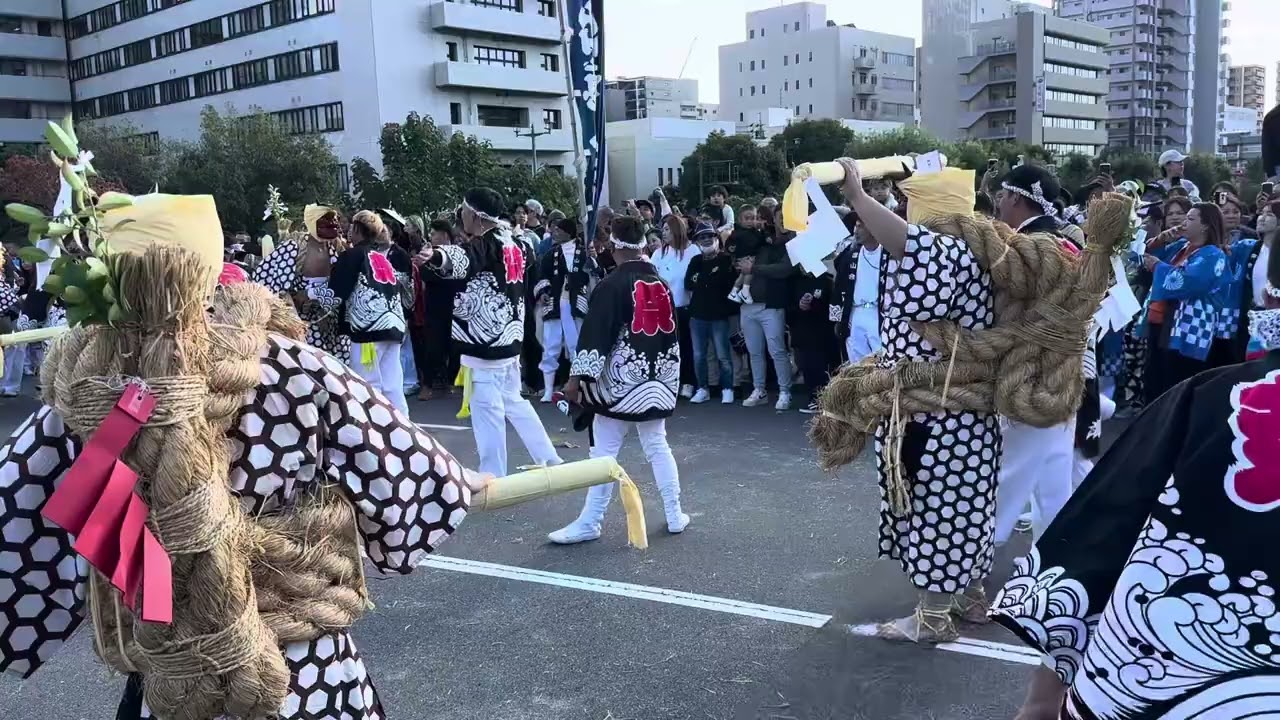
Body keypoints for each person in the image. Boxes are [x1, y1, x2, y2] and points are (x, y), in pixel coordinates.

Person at [0, 193, 486, 720]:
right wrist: (459, 480)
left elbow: (16, 525)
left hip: (171, 683)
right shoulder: (292, 367)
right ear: (209, 268)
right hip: (303, 676)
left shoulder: (85, 393)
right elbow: (403, 473)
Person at [990, 238, 1280, 720]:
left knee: (1051, 474)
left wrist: (1043, 698)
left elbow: (1103, 537)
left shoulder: (1211, 401)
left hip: (1173, 684)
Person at [835, 157, 1001, 644]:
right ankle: (970, 597)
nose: (903, 211)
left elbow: (911, 240)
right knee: (967, 504)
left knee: (939, 506)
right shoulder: (976, 250)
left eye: (909, 202)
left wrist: (859, 195)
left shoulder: (946, 249)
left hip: (941, 413)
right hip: (956, 408)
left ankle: (931, 619)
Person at [547, 216, 689, 544]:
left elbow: (596, 337)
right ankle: (673, 513)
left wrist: (577, 379)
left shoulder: (611, 285)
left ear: (613, 246)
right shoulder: (662, 283)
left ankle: (591, 520)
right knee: (657, 445)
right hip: (659, 379)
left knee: (604, 454)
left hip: (621, 383)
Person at [419, 187, 563, 477]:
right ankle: (548, 457)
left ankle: (493, 473)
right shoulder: (516, 242)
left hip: (486, 341)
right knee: (512, 400)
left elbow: (463, 258)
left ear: (475, 214)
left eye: (463, 210)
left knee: (487, 408)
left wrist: (434, 256)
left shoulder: (488, 243)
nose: (461, 215)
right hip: (508, 337)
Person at [990, 164, 1078, 547]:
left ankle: (966, 565)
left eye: (1000, 195)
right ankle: (1056, 561)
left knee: (1008, 472)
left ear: (1014, 197)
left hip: (1030, 372)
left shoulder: (1027, 245)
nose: (996, 204)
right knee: (1052, 478)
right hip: (1064, 371)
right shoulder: (1065, 241)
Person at [1140, 202, 1229, 403]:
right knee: (1156, 381)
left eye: (1190, 218)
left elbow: (1190, 282)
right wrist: (1164, 237)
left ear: (1205, 226)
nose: (1183, 222)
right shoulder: (1180, 247)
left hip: (1187, 328)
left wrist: (1158, 267)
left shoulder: (1213, 254)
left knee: (1177, 385)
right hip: (1163, 324)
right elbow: (1144, 254)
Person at [329, 210, 413, 414]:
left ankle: (376, 436)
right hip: (393, 328)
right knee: (393, 386)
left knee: (368, 385)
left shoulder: (352, 255)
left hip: (368, 330)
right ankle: (404, 433)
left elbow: (337, 292)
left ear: (357, 229)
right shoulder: (381, 256)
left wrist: (310, 298)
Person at [252, 204, 350, 364]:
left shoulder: (337, 248)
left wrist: (322, 302)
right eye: (326, 219)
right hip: (301, 320)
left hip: (330, 318)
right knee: (309, 363)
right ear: (313, 222)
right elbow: (278, 288)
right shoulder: (293, 247)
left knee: (336, 365)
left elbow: (341, 284)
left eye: (334, 219)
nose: (333, 223)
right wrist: (295, 323)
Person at [534, 218, 595, 403]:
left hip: (576, 304)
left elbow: (594, 275)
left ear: (568, 232)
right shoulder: (550, 255)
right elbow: (542, 276)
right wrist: (543, 292)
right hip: (554, 304)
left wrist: (593, 258)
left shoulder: (584, 253)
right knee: (550, 345)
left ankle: (579, 387)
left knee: (576, 345)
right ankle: (548, 389)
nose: (554, 232)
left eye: (559, 229)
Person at [739, 219, 796, 410]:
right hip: (748, 306)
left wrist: (754, 269)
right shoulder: (761, 243)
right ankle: (759, 389)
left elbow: (784, 270)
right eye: (778, 218)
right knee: (754, 352)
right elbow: (740, 261)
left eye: (784, 218)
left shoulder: (791, 246)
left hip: (771, 306)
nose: (782, 222)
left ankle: (785, 391)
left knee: (777, 351)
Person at [685, 219, 738, 404]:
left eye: (709, 236)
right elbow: (688, 283)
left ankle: (727, 388)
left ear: (716, 238)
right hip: (697, 315)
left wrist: (704, 280)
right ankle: (702, 388)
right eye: (702, 237)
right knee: (699, 355)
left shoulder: (725, 260)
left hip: (719, 315)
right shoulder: (695, 260)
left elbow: (725, 284)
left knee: (723, 355)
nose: (706, 239)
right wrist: (708, 279)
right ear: (697, 241)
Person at [414, 219, 464, 400]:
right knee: (432, 346)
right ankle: (427, 384)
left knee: (456, 345)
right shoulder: (428, 254)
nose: (431, 237)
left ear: (444, 235)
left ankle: (454, 382)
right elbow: (426, 274)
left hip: (457, 306)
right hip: (434, 307)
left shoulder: (460, 252)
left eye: (434, 234)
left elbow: (462, 275)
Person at [652, 215, 699, 399]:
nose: (663, 234)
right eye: (662, 230)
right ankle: (669, 382)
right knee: (666, 349)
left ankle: (688, 381)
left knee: (686, 347)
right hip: (663, 308)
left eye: (666, 229)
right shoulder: (659, 254)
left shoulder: (693, 251)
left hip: (685, 307)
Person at [830, 210, 883, 366]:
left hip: (878, 312)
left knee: (882, 359)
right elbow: (839, 285)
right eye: (855, 226)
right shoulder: (851, 254)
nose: (855, 230)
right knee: (856, 361)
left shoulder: (887, 254)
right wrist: (837, 318)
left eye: (860, 227)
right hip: (856, 311)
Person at [727, 205, 763, 304]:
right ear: (740, 220)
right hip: (744, 258)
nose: (750, 222)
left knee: (743, 275)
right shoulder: (737, 233)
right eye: (747, 219)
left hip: (748, 257)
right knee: (749, 271)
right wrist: (730, 248)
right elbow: (729, 242)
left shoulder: (755, 232)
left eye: (753, 218)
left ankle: (734, 291)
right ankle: (745, 290)